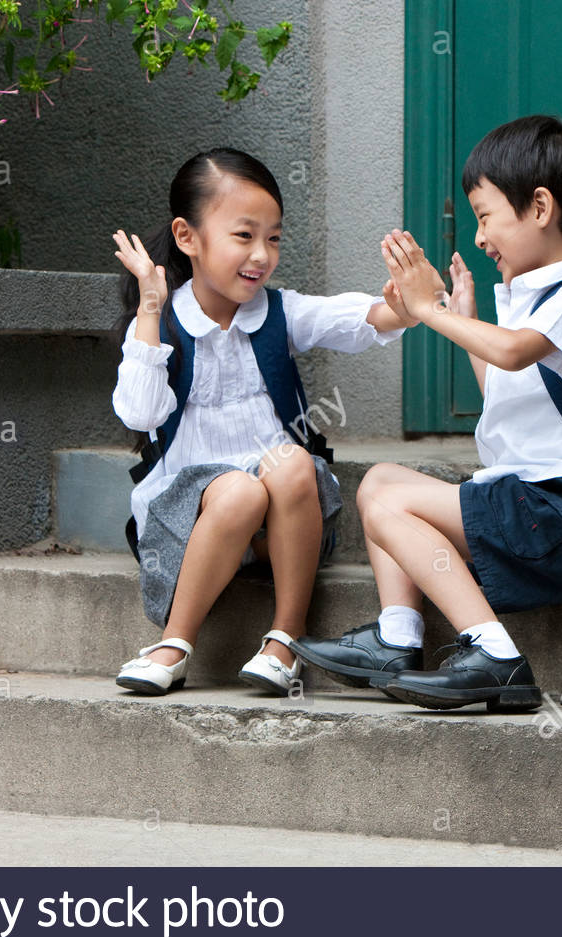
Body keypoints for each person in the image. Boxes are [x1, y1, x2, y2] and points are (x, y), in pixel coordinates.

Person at [293, 115, 562, 712]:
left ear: (539, 207)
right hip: (535, 508)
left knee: (384, 496)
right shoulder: (534, 298)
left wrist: (430, 312)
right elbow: (506, 388)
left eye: (484, 216)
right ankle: (397, 638)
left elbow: (508, 350)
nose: (479, 238)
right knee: (381, 484)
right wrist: (465, 316)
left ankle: (496, 654)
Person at [110, 148, 414, 696]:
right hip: (189, 525)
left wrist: (414, 302)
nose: (262, 254)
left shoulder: (280, 312)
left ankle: (284, 643)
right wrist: (149, 311)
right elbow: (140, 413)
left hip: (283, 526)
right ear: (187, 237)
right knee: (237, 493)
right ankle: (174, 644)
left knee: (291, 462)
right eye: (244, 236)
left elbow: (365, 317)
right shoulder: (164, 323)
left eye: (273, 238)